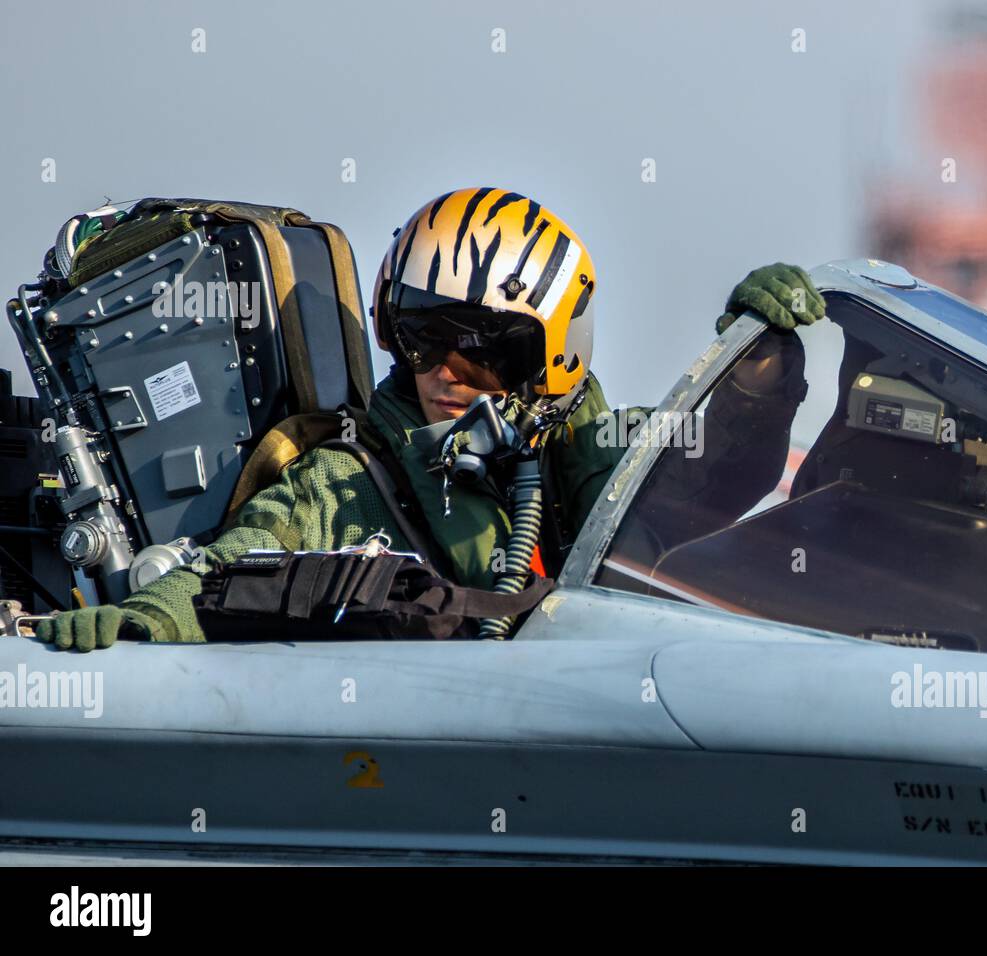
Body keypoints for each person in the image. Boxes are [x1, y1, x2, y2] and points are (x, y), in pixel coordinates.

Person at [37, 187, 825, 651]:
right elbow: (235, 563)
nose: (444, 373)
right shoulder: (348, 478)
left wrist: (756, 381)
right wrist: (140, 625)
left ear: (544, 360)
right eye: (422, 340)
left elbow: (694, 476)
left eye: (481, 356)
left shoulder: (574, 440)